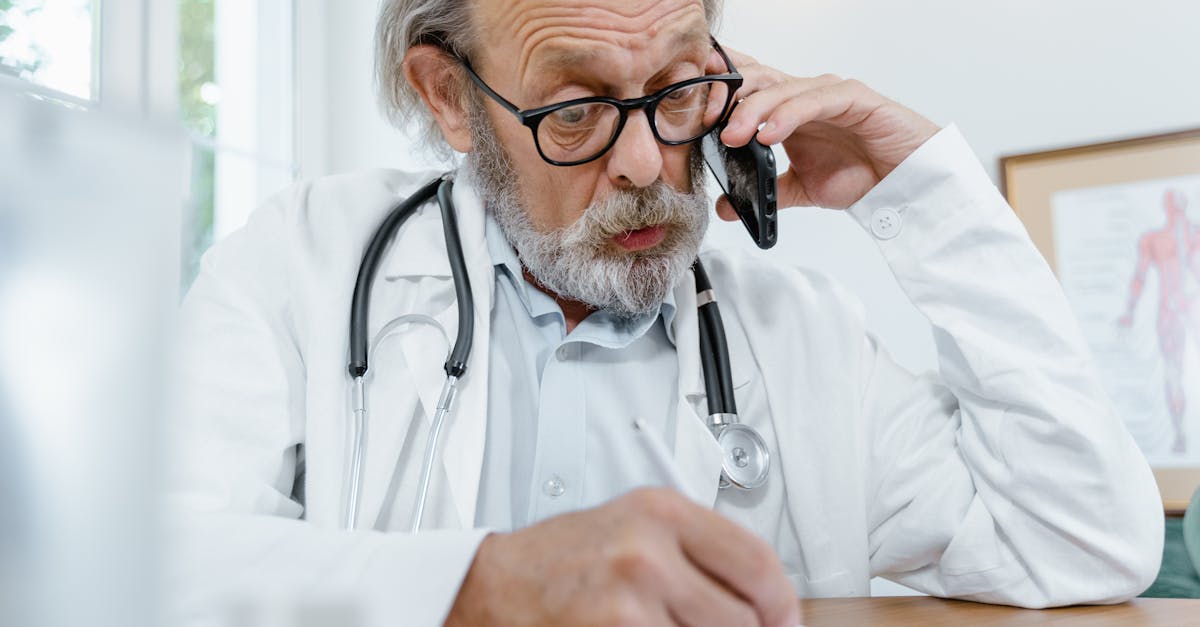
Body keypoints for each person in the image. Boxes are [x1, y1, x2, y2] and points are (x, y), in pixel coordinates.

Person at [167, 0, 1164, 625]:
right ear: (449, 98)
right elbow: (140, 561)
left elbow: (1076, 540)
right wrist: (481, 587)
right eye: (575, 110)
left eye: (679, 89)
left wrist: (919, 194)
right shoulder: (306, 260)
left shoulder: (801, 335)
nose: (646, 164)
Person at [1119, 189, 1199, 454]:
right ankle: (1179, 434)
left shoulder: (1195, 235)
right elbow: (1139, 276)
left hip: (1189, 308)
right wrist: (1129, 311)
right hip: (1170, 313)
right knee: (1174, 374)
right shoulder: (1154, 239)